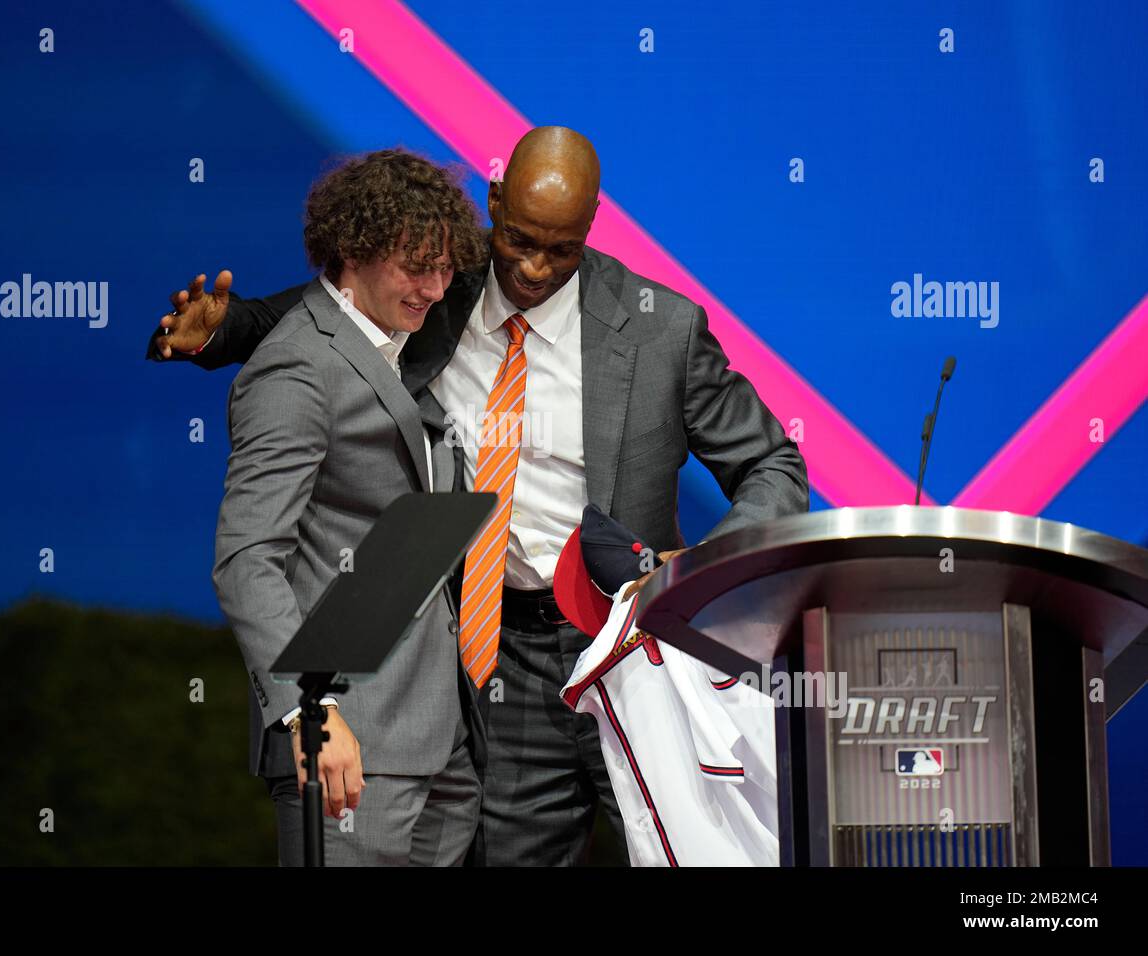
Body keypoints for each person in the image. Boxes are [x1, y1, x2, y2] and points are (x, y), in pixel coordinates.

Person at [152, 126, 809, 866]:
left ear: (591, 228)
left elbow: (775, 468)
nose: (532, 268)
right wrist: (224, 331)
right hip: (500, 661)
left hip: (637, 650)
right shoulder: (442, 286)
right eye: (519, 239)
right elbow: (328, 309)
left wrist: (694, 572)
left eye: (559, 250)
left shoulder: (663, 332)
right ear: (493, 206)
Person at [210, 147, 489, 865]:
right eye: (413, 265)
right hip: (347, 750)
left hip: (439, 745)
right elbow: (246, 560)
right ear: (350, 251)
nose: (434, 286)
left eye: (445, 265)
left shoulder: (398, 350)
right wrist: (314, 716)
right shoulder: (296, 365)